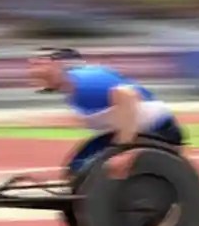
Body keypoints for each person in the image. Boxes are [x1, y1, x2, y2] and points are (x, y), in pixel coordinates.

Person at [26, 47, 187, 179]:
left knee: (87, 169)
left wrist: (123, 150)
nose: (32, 70)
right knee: (76, 169)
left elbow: (127, 95)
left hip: (159, 133)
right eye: (32, 65)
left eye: (38, 64)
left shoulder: (85, 80)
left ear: (57, 65)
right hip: (137, 131)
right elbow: (106, 115)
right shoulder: (74, 91)